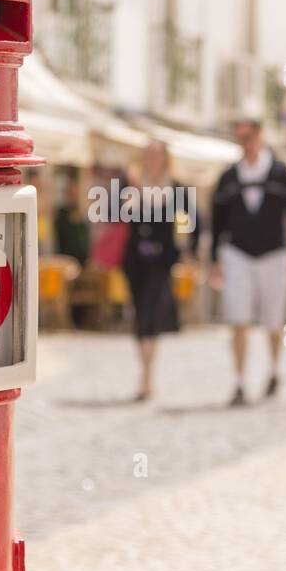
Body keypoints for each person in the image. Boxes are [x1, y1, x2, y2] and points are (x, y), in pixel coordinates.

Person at [210, 117, 286, 406]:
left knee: (273, 318)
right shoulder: (228, 177)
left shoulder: (280, 173)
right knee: (237, 317)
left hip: (273, 253)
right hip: (237, 253)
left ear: (260, 135)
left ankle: (274, 370)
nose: (245, 142)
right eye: (239, 137)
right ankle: (240, 381)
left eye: (249, 135)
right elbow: (218, 220)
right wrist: (215, 256)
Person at [122, 141, 195, 401]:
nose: (153, 159)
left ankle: (147, 375)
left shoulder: (175, 188)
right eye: (149, 154)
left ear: (165, 158)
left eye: (157, 155)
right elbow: (121, 215)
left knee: (151, 311)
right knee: (139, 310)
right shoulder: (130, 182)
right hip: (135, 259)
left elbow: (189, 220)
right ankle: (145, 371)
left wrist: (185, 248)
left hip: (162, 259)